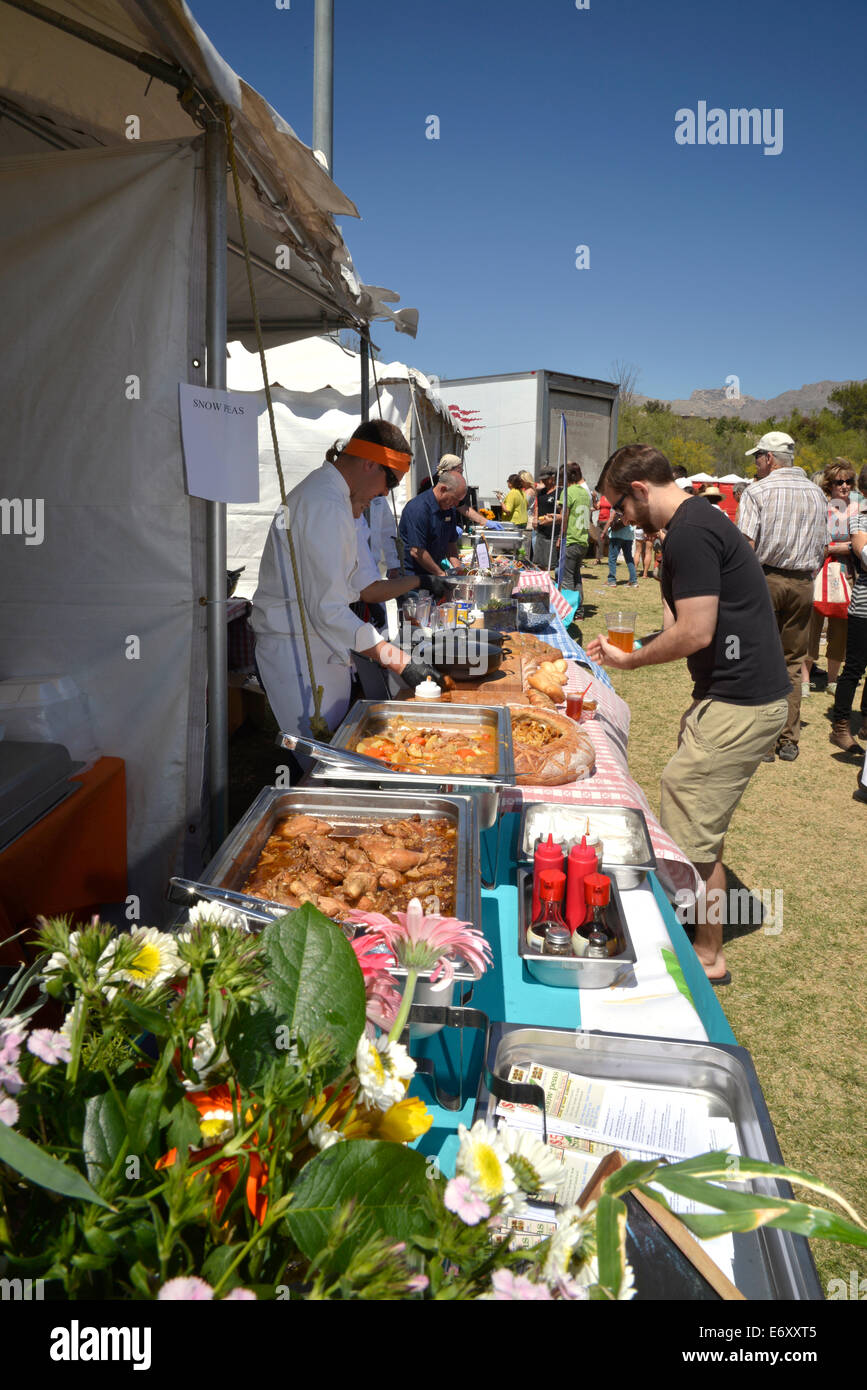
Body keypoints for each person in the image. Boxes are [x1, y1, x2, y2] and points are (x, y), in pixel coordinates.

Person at [586, 444, 789, 986]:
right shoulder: (699, 519)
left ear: (639, 491)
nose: (622, 521)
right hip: (732, 696)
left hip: (742, 702)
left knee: (687, 831)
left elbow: (696, 631)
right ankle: (696, 933)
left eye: (620, 509)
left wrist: (633, 658)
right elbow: (705, 628)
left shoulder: (690, 533)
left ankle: (706, 954)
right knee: (694, 821)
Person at [251, 420, 440, 738]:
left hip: (319, 641)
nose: (384, 492)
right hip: (298, 650)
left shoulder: (339, 500)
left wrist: (418, 583)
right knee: (319, 756)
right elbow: (328, 609)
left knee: (339, 739)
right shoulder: (323, 503)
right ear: (369, 463)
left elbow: (359, 584)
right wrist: (398, 661)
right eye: (390, 481)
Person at [737, 431, 827, 762]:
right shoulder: (818, 494)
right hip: (804, 582)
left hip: (766, 579)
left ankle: (761, 740)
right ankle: (788, 738)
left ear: (770, 459)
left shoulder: (757, 491)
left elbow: (745, 548)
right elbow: (823, 546)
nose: (756, 463)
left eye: (757, 456)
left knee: (759, 659)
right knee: (791, 662)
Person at [804, 460, 860, 700]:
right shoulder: (820, 509)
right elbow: (817, 543)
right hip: (818, 573)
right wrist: (847, 546)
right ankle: (804, 680)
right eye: (840, 481)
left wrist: (838, 548)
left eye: (849, 481)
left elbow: (861, 544)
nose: (845, 486)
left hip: (848, 576)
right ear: (829, 484)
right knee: (811, 627)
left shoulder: (859, 509)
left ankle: (832, 680)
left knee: (840, 629)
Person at [829, 462, 867, 755]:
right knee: (853, 667)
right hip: (863, 607)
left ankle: (866, 720)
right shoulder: (860, 518)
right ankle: (841, 726)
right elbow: (863, 553)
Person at [398, 470, 468, 587]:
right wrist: (440, 574)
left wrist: (458, 570)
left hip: (433, 573)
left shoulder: (449, 510)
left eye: (459, 501)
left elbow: (450, 544)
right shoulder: (419, 509)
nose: (456, 504)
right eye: (455, 499)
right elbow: (417, 551)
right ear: (443, 489)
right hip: (412, 579)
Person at [557, 463, 592, 606]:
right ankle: (578, 610)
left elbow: (564, 516)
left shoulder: (567, 492)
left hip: (571, 540)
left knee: (567, 578)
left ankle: (568, 609)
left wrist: (560, 537)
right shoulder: (585, 492)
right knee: (576, 577)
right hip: (583, 540)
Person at [603, 500, 638, 587]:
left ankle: (611, 580)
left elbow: (611, 519)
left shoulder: (618, 505)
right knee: (629, 558)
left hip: (616, 535)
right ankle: (633, 581)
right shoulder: (633, 506)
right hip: (629, 536)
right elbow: (635, 522)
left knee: (612, 559)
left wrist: (603, 532)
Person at [534, 469, 560, 564]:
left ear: (552, 478)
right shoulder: (541, 492)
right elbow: (537, 506)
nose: (544, 481)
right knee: (538, 561)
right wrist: (535, 518)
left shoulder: (559, 492)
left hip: (553, 531)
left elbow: (562, 513)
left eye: (546, 479)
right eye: (542, 479)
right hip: (541, 530)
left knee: (550, 562)